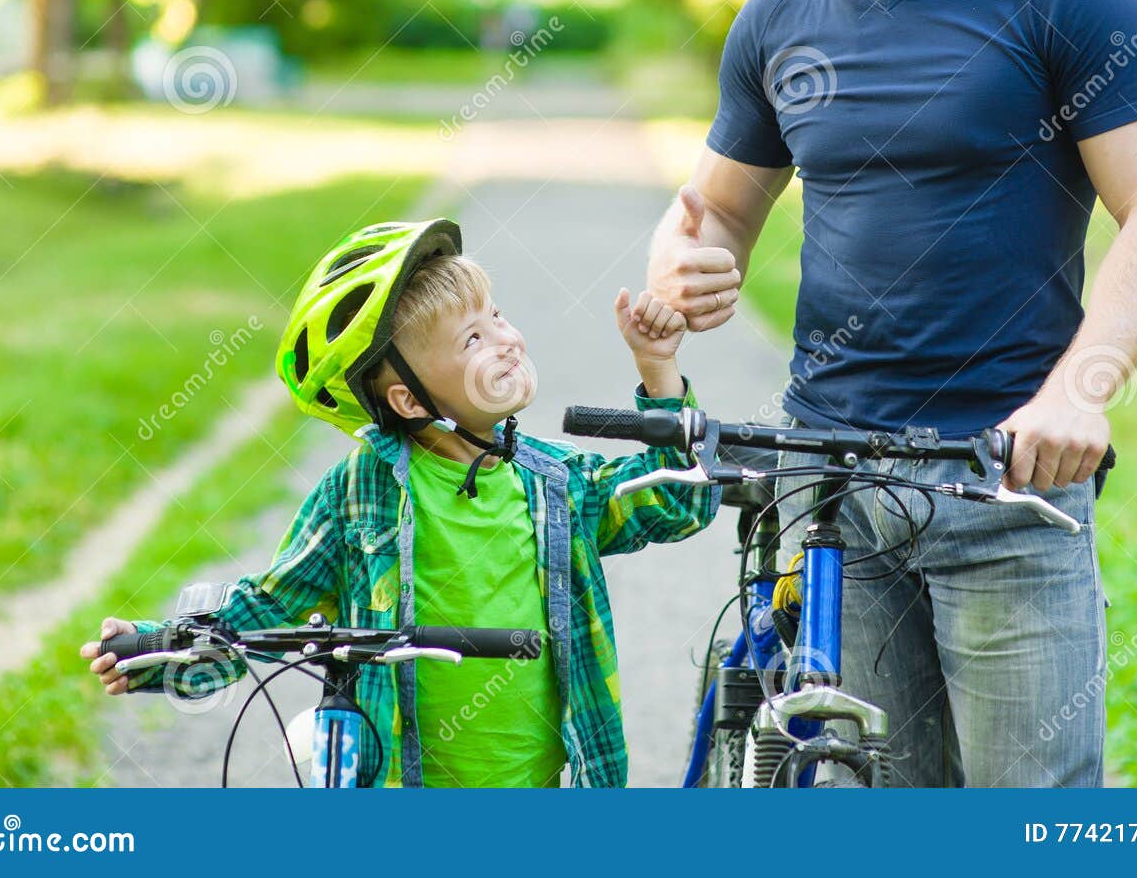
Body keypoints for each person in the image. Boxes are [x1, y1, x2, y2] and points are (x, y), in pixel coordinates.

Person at [640, 0, 1137, 787]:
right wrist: (683, 261)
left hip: (1001, 485)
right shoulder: (773, 25)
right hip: (830, 493)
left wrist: (1080, 389)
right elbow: (706, 210)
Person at [81, 218, 715, 787]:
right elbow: (272, 604)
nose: (506, 339)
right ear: (411, 402)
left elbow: (678, 502)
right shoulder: (362, 492)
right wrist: (159, 650)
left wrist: (658, 371)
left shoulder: (555, 481)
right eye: (472, 339)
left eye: (497, 316)